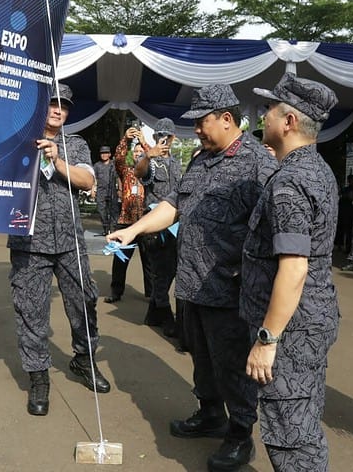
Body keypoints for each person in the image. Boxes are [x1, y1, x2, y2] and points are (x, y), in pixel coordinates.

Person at [108, 85, 277, 472]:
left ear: (226, 119)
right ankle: (210, 413)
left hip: (230, 288)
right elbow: (174, 204)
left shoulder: (257, 163)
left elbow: (274, 227)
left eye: (201, 122)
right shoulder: (201, 159)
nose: (196, 131)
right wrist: (134, 231)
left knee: (232, 363)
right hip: (192, 285)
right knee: (201, 359)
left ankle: (239, 434)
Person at [242, 72, 340, 471]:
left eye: (269, 109)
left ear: (289, 122)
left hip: (292, 332)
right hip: (310, 322)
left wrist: (267, 339)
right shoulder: (316, 169)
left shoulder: (291, 182)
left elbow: (295, 267)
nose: (263, 116)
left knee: (290, 436)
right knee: (303, 423)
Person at [6, 83, 110, 416]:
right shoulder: (16, 136)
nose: (57, 110)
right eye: (52, 103)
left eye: (63, 106)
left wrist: (58, 159)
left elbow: (88, 181)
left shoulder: (75, 144)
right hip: (29, 241)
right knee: (32, 311)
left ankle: (85, 359)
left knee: (84, 302)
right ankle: (38, 378)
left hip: (69, 242)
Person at [135, 117, 182, 336]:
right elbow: (139, 173)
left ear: (173, 138)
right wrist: (147, 155)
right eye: (158, 136)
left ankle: (153, 313)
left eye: (166, 136)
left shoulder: (176, 163)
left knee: (168, 269)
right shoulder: (151, 161)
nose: (162, 140)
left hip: (173, 225)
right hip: (154, 225)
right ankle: (165, 315)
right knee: (162, 271)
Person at [104, 127, 151, 304]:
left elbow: (154, 156)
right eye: (136, 151)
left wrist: (144, 142)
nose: (139, 154)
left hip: (147, 221)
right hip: (126, 222)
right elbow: (119, 157)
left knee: (149, 261)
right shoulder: (127, 171)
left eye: (142, 152)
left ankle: (151, 294)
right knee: (120, 259)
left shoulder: (151, 173)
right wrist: (126, 139)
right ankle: (116, 292)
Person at [93, 145, 117, 236]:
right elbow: (94, 178)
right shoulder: (97, 165)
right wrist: (93, 190)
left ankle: (113, 229)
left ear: (109, 154)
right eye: (102, 153)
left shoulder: (114, 164)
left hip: (112, 190)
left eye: (106, 153)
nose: (104, 155)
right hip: (101, 191)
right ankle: (106, 229)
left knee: (113, 210)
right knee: (101, 210)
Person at [335, 174, 353, 252]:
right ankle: (347, 247)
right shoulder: (346, 190)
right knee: (348, 231)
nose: (351, 182)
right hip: (347, 213)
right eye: (350, 181)